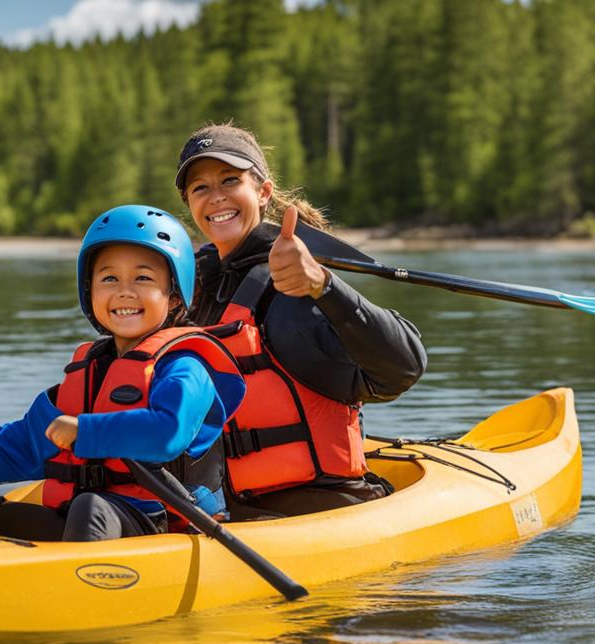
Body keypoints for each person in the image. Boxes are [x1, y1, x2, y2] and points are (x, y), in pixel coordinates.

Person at [0, 205, 246, 542]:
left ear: (174, 296)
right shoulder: (88, 372)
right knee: (4, 520)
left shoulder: (187, 368)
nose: (124, 292)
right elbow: (16, 448)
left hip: (163, 524)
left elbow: (168, 432)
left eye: (143, 278)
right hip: (89, 518)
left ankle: (85, 600)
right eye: (108, 279)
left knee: (91, 507)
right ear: (90, 292)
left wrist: (86, 432)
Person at [174, 122, 427, 519]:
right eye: (200, 187)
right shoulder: (196, 292)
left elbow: (404, 368)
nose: (216, 197)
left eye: (230, 180)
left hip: (319, 508)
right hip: (225, 511)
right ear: (189, 202)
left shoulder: (291, 291)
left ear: (263, 191)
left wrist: (324, 286)